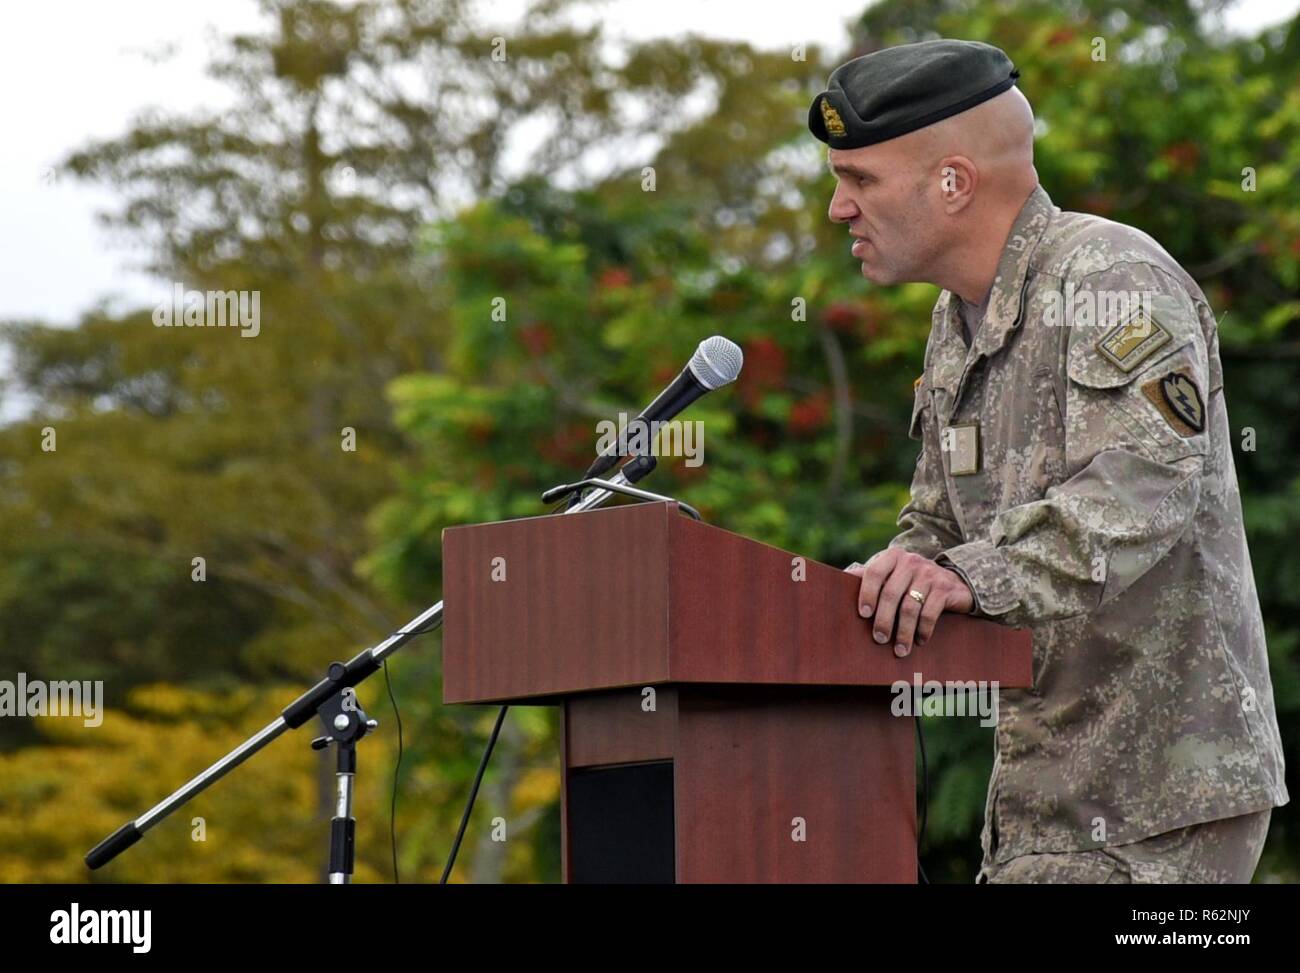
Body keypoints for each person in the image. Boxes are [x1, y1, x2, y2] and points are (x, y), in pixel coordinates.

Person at [811, 38, 1289, 883]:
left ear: (952, 182)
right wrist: (894, 575)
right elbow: (936, 524)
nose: (838, 209)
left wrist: (966, 578)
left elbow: (1140, 496)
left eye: (860, 180)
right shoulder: (957, 320)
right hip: (1046, 803)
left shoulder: (1114, 278)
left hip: (1157, 804)